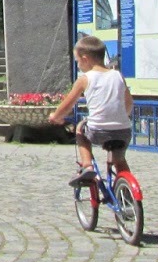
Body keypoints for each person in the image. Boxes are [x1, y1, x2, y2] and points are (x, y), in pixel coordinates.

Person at [47, 33, 134, 187]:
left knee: (80, 128)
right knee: (119, 161)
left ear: (85, 59)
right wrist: (122, 117)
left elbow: (68, 104)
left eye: (78, 61)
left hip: (98, 131)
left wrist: (56, 116)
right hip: (123, 130)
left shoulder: (84, 79)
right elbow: (128, 103)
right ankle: (127, 191)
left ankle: (87, 166)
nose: (78, 65)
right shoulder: (118, 75)